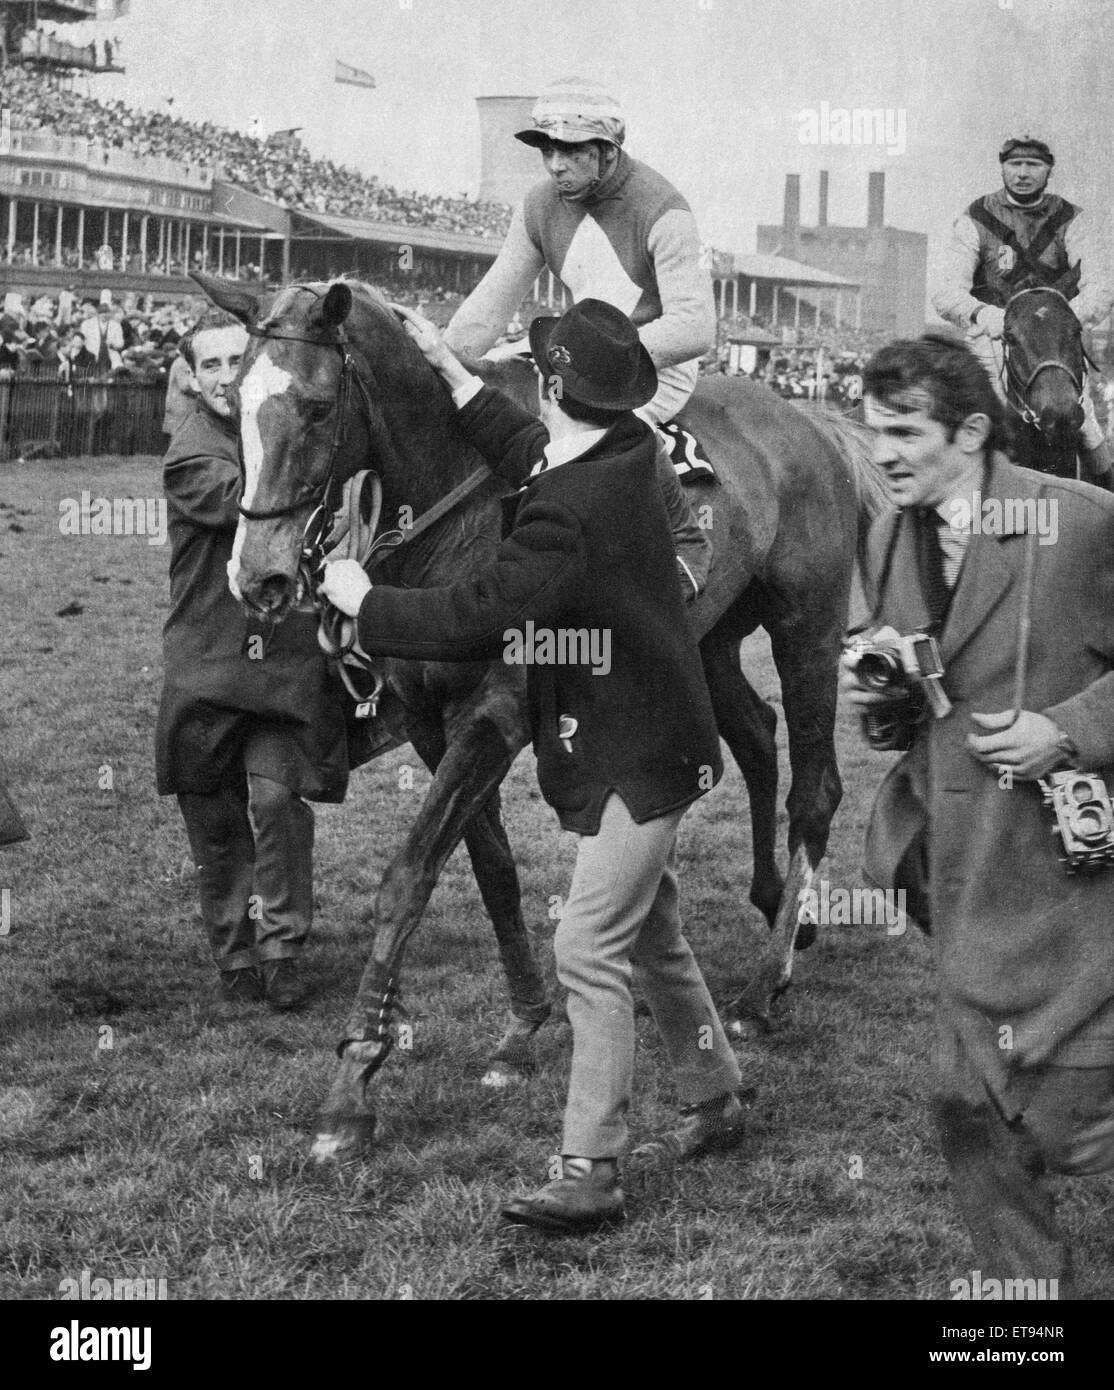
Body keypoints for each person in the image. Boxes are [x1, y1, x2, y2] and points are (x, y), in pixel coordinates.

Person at [322, 299, 745, 1233]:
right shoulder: (624, 452)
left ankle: (591, 1167)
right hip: (656, 737)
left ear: (554, 385)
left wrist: (367, 598)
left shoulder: (568, 510)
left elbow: (483, 608)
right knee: (651, 930)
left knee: (585, 947)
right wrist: (453, 371)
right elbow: (528, 449)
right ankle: (715, 1095)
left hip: (631, 753)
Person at [842, 333, 1114, 1296]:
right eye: (875, 432)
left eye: (905, 433)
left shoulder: (1080, 523)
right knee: (964, 1103)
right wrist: (882, 694)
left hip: (1074, 882)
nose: (883, 454)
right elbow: (917, 698)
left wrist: (1068, 730)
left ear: (970, 430)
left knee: (1068, 1110)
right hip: (960, 873)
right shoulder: (885, 534)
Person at [155, 308, 352, 1013]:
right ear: (191, 376)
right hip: (208, 665)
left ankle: (284, 949)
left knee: (276, 803)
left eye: (233, 360)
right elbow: (253, 504)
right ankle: (234, 952)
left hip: (279, 665)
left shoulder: (276, 426)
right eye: (208, 364)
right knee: (213, 822)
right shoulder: (192, 452)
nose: (221, 376)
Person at [443, 77, 716, 427]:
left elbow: (695, 327)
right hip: (572, 355)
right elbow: (488, 310)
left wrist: (591, 358)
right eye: (547, 151)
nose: (556, 165)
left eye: (571, 151)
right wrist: (442, 363)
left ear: (608, 152)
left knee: (576, 448)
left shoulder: (668, 213)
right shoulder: (537, 206)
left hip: (653, 368)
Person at [932, 133, 1114, 482]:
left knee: (1083, 417)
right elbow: (945, 291)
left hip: (1053, 338)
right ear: (1003, 168)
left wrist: (1059, 320)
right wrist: (985, 315)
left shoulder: (1071, 218)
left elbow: (1101, 286)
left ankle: (1104, 494)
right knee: (976, 415)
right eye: (1015, 164)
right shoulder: (976, 218)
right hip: (995, 333)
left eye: (1033, 164)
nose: (1023, 173)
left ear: (1048, 171)